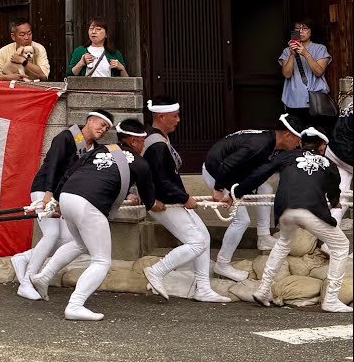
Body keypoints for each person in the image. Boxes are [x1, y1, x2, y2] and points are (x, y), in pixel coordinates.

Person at [27, 121, 158, 320]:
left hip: (68, 196)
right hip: (89, 205)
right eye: (143, 141)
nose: (144, 146)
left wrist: (58, 198)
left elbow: (71, 171)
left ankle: (43, 277)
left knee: (79, 244)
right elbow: (149, 202)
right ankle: (75, 305)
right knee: (101, 260)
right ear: (134, 141)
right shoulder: (140, 163)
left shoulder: (99, 150)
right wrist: (165, 203)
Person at [126, 103, 232, 303]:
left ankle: (203, 288)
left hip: (172, 197)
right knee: (197, 241)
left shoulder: (161, 139)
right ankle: (157, 270)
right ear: (160, 116)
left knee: (204, 237)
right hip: (164, 201)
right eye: (174, 116)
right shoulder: (156, 144)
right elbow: (161, 179)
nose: (178, 120)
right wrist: (184, 198)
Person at [242, 127, 350, 313]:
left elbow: (261, 172)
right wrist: (334, 204)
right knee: (341, 246)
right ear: (322, 146)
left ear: (301, 143)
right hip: (311, 210)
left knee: (284, 243)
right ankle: (331, 299)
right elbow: (334, 192)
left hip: (285, 211)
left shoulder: (287, 156)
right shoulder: (328, 163)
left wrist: (236, 191)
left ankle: (263, 289)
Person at [12, 109, 113, 300]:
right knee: (52, 233)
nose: (103, 129)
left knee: (68, 240)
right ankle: (26, 281)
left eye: (106, 127)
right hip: (44, 188)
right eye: (101, 123)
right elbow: (53, 165)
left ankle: (24, 258)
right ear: (89, 120)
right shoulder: (67, 137)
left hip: (64, 195)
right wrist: (49, 194)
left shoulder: (96, 149)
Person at [201, 113, 306, 280]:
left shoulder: (271, 141)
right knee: (242, 220)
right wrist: (219, 189)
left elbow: (258, 175)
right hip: (217, 172)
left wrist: (240, 190)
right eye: (298, 139)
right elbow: (227, 164)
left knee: (264, 188)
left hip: (234, 173)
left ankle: (263, 236)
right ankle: (222, 263)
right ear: (287, 135)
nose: (299, 144)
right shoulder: (259, 145)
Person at [279, 17, 332, 129]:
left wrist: (305, 53)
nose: (301, 31)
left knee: (315, 135)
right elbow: (287, 74)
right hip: (293, 99)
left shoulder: (320, 49)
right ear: (293, 32)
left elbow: (319, 72)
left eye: (305, 28)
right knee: (295, 136)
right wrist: (292, 54)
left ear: (311, 31)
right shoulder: (286, 51)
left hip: (315, 101)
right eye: (298, 28)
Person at [0, 18, 50, 82]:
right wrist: (7, 77)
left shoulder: (39, 48)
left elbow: (44, 74)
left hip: (35, 87)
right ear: (13, 37)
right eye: (22, 35)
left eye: (29, 34)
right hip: (11, 88)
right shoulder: (4, 50)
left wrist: (23, 61)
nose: (27, 38)